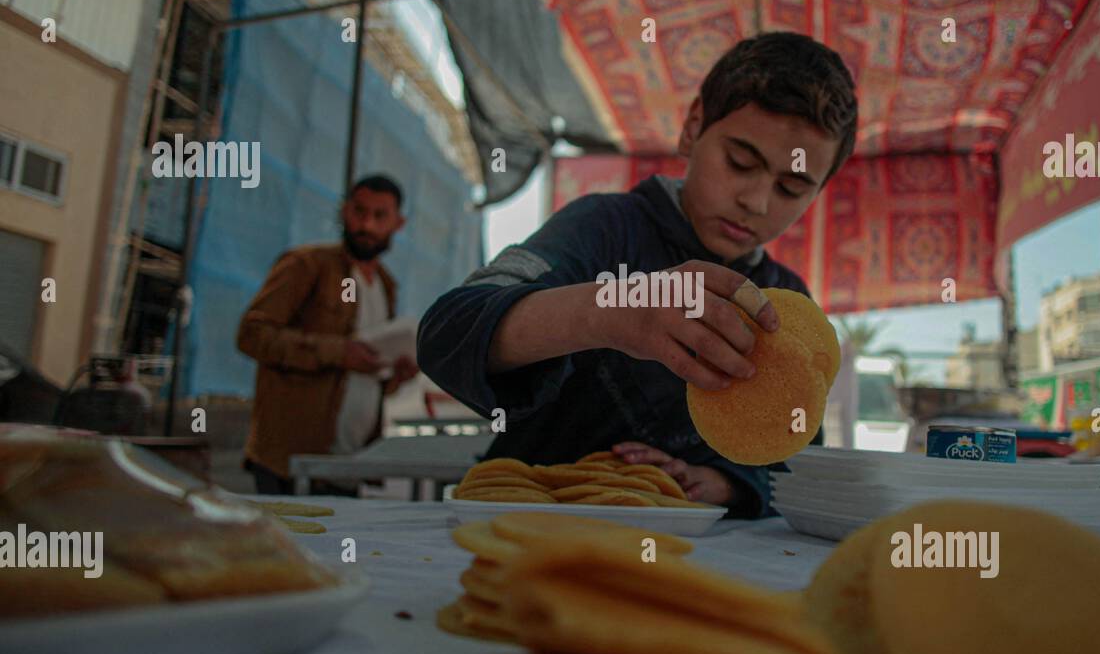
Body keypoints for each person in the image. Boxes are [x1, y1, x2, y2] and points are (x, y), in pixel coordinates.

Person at [418, 32, 858, 517]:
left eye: (792, 187)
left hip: (692, 560)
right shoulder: (604, 228)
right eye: (740, 162)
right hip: (532, 526)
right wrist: (605, 312)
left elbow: (796, 457)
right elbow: (448, 330)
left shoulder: (785, 299)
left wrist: (722, 483)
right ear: (693, 127)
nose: (755, 201)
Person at [238, 173, 420, 494]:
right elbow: (253, 334)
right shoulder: (305, 264)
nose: (367, 225)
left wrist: (395, 377)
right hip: (291, 460)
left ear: (398, 223)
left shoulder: (387, 286)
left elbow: (364, 373)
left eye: (380, 216)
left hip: (350, 463)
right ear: (345, 212)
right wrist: (338, 352)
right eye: (359, 212)